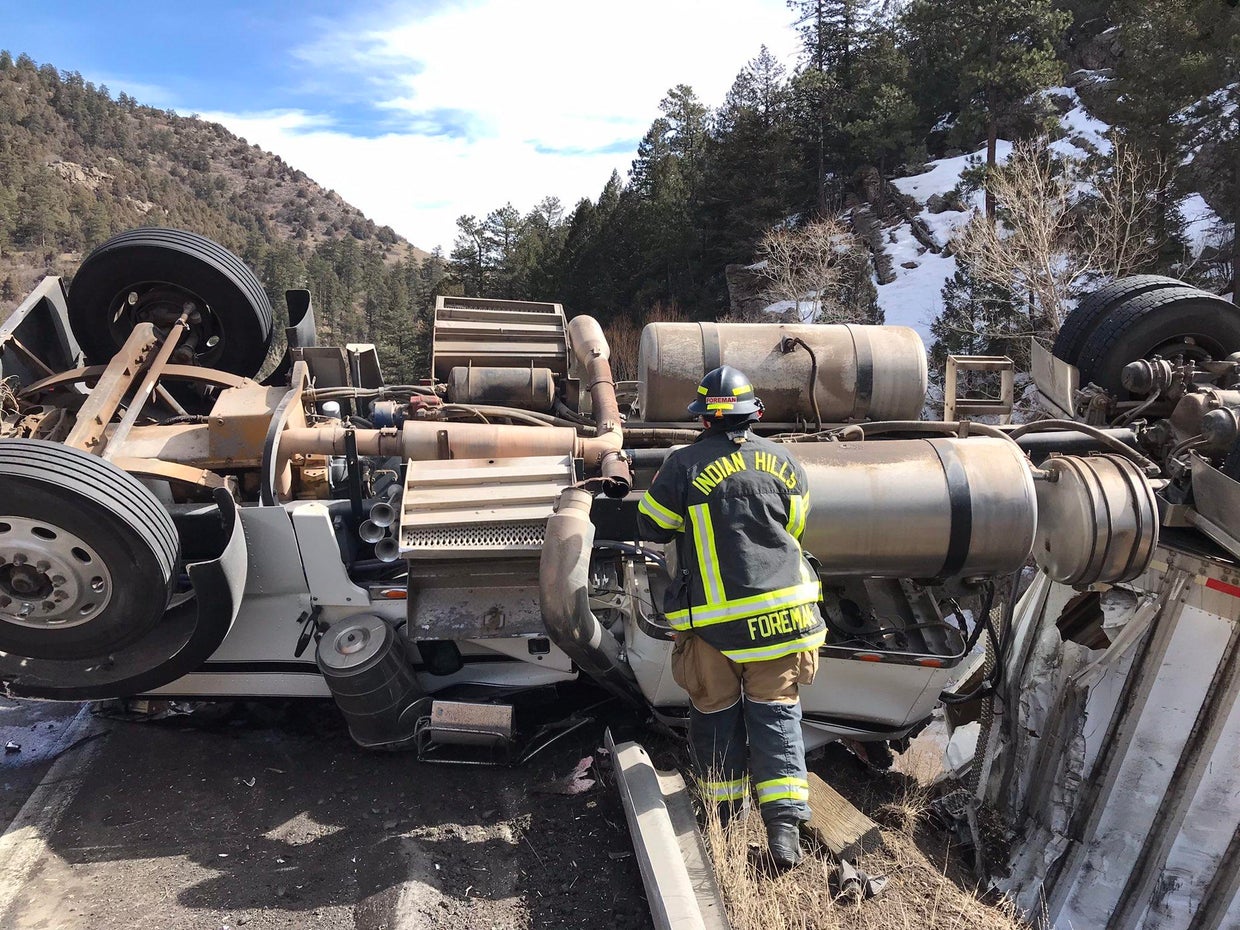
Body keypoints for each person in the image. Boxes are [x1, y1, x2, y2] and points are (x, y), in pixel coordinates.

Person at [635, 364, 825, 869]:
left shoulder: (684, 466)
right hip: (783, 622)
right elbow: (798, 527)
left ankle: (722, 825)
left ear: (703, 420)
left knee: (716, 717)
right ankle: (784, 836)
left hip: (716, 630)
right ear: (754, 413)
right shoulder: (786, 462)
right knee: (777, 717)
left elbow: (653, 525)